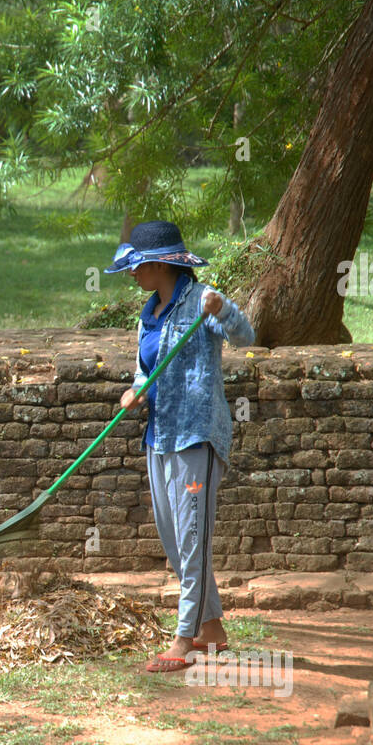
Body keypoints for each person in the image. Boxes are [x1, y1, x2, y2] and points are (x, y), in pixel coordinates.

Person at [104, 220, 256, 673]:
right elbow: (142, 369)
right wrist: (136, 392)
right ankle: (212, 628)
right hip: (159, 434)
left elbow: (246, 336)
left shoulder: (202, 301)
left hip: (196, 435)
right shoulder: (148, 314)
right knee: (174, 539)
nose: (132, 275)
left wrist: (224, 309)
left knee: (193, 539)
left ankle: (184, 636)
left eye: (137, 266)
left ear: (159, 265)